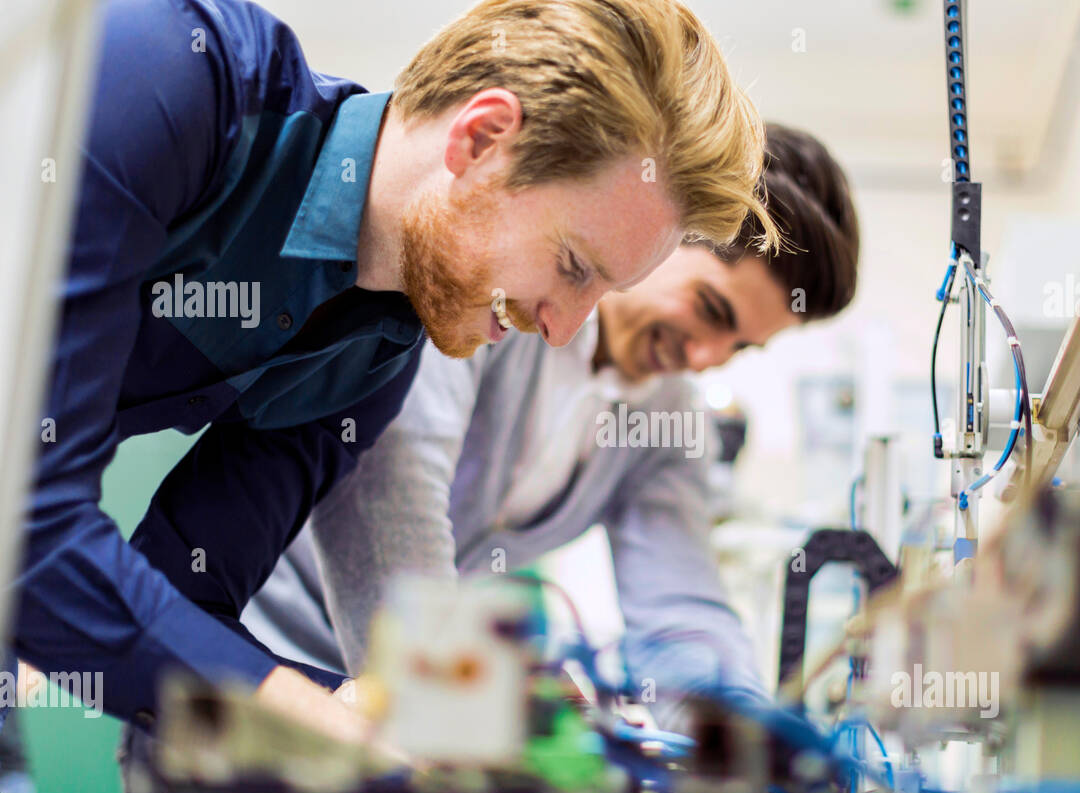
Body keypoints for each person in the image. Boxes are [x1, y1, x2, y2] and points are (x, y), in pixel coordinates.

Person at [6, 0, 777, 743]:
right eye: (573, 266)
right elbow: (29, 536)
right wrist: (327, 724)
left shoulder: (371, 359)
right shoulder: (170, 74)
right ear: (481, 140)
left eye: (606, 291)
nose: (562, 328)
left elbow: (186, 599)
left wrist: (387, 717)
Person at [246, 124, 860, 729]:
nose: (706, 358)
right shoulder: (505, 297)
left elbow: (680, 611)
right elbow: (393, 493)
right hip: (265, 659)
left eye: (740, 347)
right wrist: (459, 704)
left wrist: (743, 746)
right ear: (665, 234)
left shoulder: (670, 423)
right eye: (710, 311)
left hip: (405, 699)